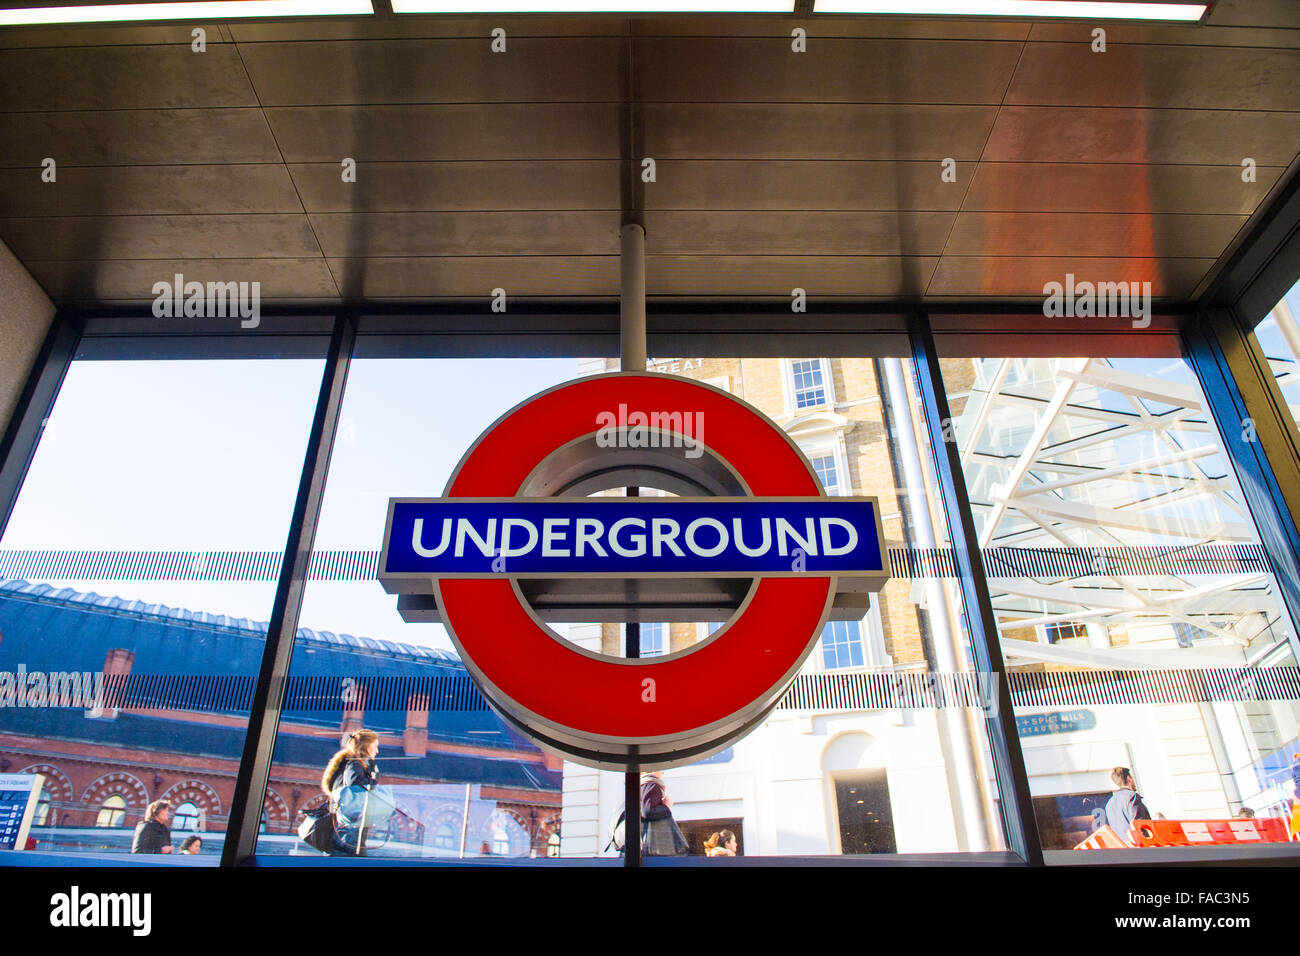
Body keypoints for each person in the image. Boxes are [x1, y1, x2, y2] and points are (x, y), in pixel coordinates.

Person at [322, 729, 381, 856]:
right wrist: (373, 777)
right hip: (349, 834)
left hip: (345, 832)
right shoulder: (355, 765)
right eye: (375, 746)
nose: (377, 751)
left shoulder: (349, 764)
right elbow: (355, 785)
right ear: (366, 746)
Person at [640, 770, 688, 856]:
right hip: (655, 847)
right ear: (654, 769)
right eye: (661, 770)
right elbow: (648, 812)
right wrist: (666, 806)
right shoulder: (651, 784)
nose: (662, 773)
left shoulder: (641, 785)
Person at [1105, 767, 1151, 844]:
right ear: (1129, 778)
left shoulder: (1109, 803)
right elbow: (1140, 826)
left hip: (1122, 848)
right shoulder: (1131, 796)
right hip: (1137, 847)